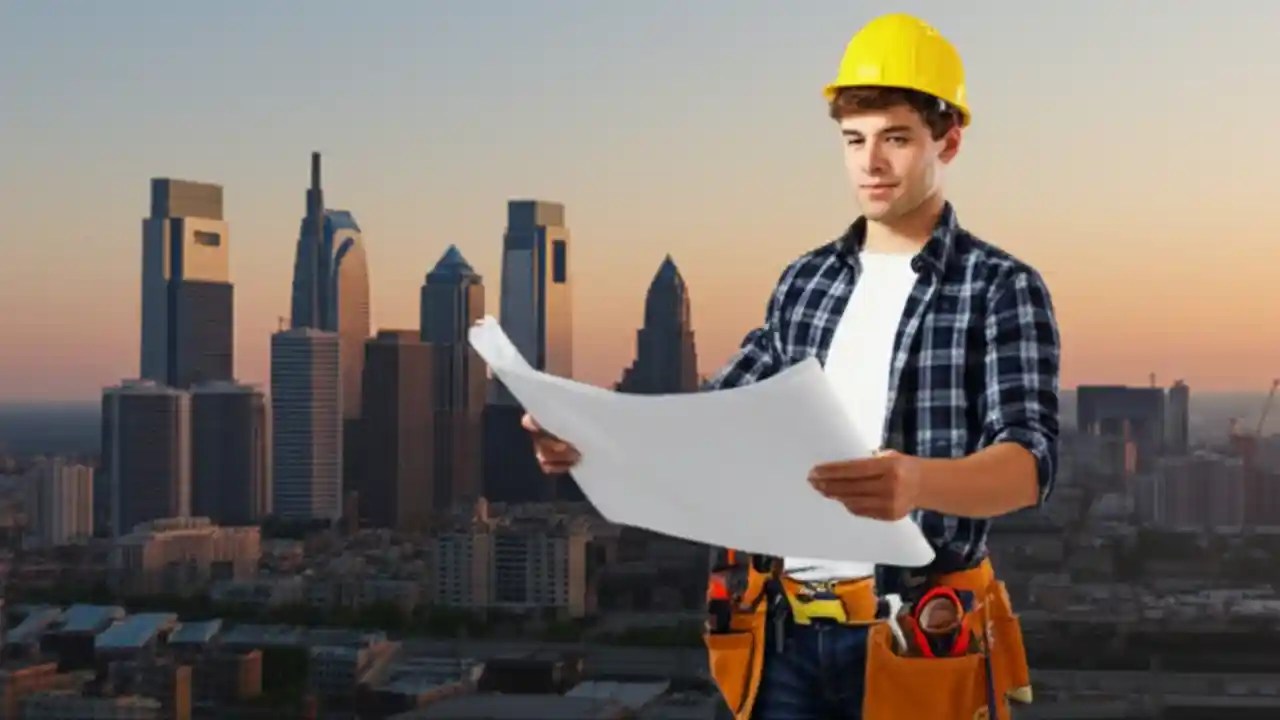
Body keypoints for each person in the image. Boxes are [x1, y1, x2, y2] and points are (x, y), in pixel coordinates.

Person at [522, 12, 1059, 720]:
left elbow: (1031, 464)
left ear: (948, 141)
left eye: (895, 139)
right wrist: (587, 436)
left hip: (912, 634)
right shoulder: (806, 282)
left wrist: (918, 483)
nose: (870, 163)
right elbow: (714, 418)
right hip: (779, 636)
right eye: (855, 140)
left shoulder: (999, 288)